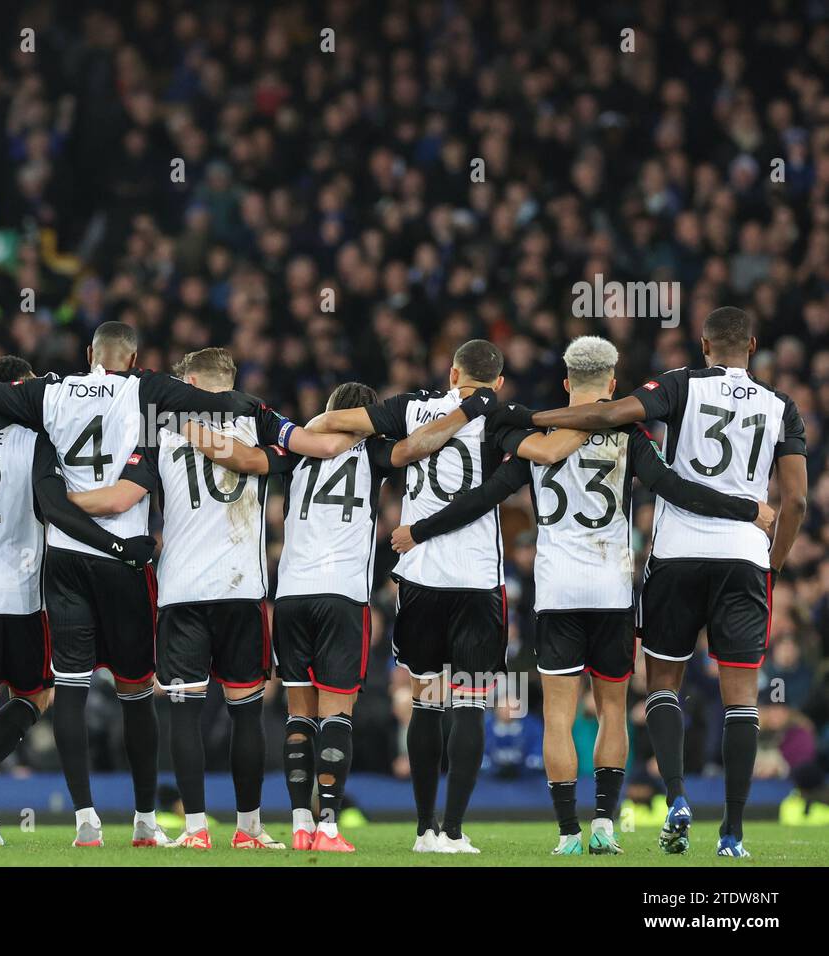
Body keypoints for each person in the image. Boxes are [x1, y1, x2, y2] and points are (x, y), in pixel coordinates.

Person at [391, 336, 774, 855]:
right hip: (612, 589)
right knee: (612, 710)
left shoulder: (535, 433)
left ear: (566, 383)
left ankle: (567, 831)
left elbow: (486, 496)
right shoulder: (630, 431)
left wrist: (422, 529)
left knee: (558, 716)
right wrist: (746, 510)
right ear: (613, 385)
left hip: (556, 591)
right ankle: (603, 825)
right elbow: (672, 487)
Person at [0, 321, 299, 847]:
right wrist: (269, 426)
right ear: (134, 360)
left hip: (64, 558)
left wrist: (22, 397)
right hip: (132, 565)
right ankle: (145, 819)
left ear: (89, 354)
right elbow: (219, 407)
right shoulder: (148, 393)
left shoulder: (52, 391)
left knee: (69, 691)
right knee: (137, 692)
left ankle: (86, 822)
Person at [498, 308, 807, 858]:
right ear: (754, 345)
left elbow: (612, 416)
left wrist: (520, 417)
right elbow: (798, 501)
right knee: (742, 702)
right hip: (740, 558)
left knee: (661, 685)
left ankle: (673, 797)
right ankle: (732, 834)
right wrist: (772, 566)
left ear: (704, 343)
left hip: (670, 557)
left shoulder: (679, 385)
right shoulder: (781, 406)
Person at [310, 339, 586, 854]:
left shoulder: (410, 408)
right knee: (471, 705)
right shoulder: (503, 417)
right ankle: (454, 832)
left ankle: (422, 831)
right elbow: (541, 454)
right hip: (477, 582)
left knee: (425, 702)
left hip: (420, 579)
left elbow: (332, 423)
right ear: (499, 381)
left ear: (452, 371)